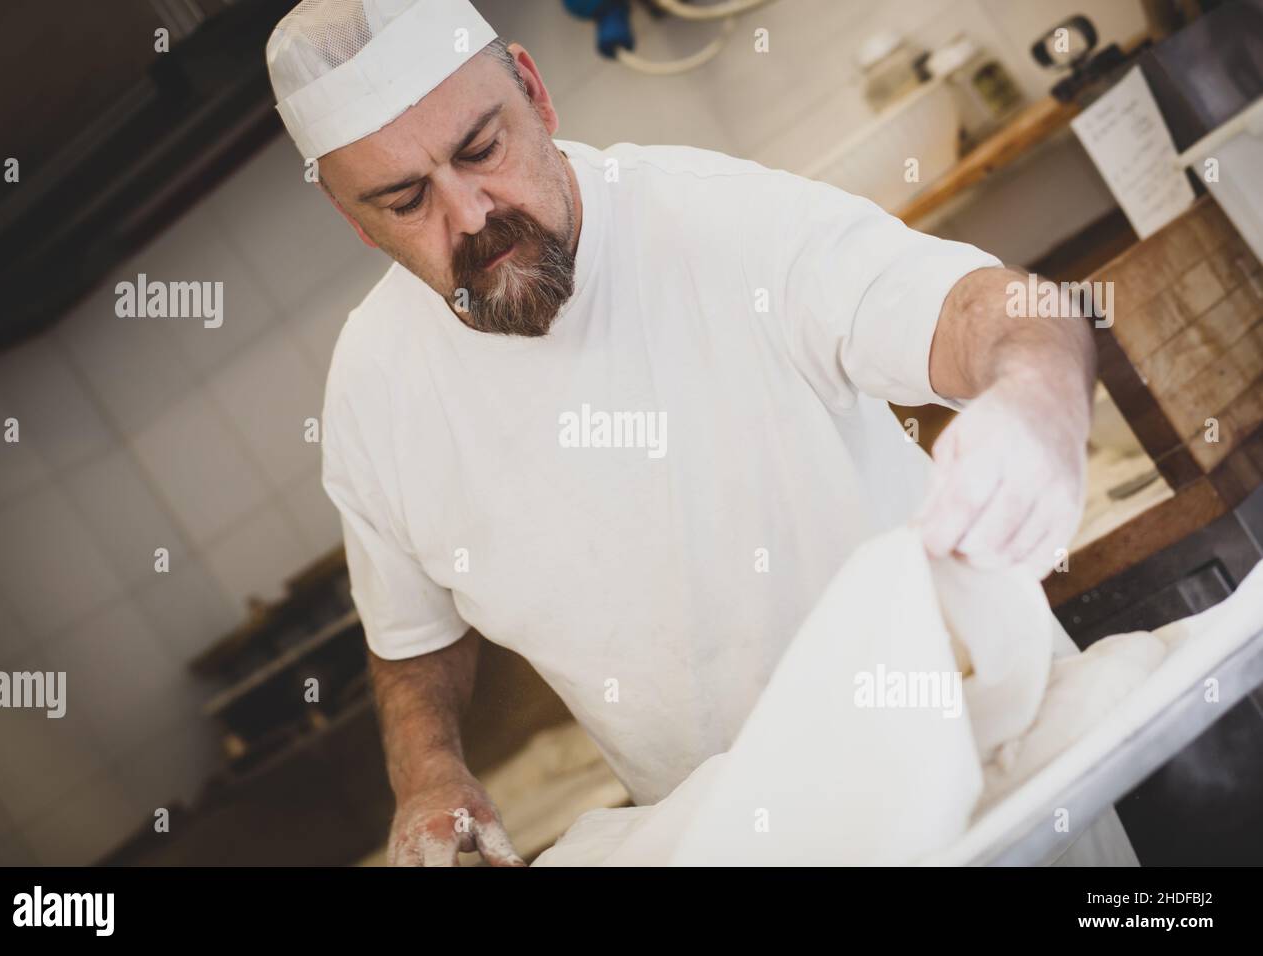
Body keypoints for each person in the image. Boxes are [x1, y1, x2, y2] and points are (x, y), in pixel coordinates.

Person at [266, 0, 1129, 866]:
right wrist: (427, 775)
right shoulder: (374, 395)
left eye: (480, 149)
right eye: (406, 200)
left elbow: (985, 309)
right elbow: (410, 640)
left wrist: (1040, 401)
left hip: (981, 771)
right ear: (356, 221)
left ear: (533, 91)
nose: (468, 214)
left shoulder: (716, 223)